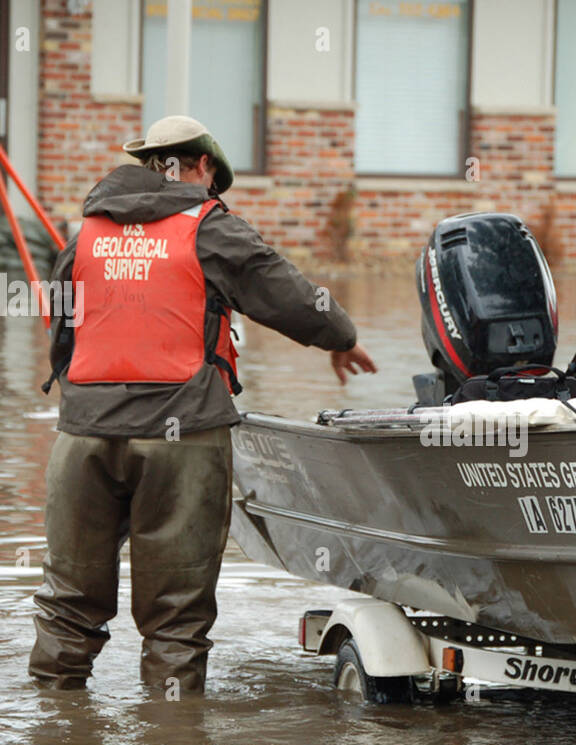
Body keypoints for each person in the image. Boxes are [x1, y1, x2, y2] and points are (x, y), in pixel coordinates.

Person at [29, 115, 376, 694]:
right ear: (204, 166)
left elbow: (63, 337)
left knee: (67, 608)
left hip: (82, 441)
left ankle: (58, 744)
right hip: (179, 439)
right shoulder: (209, 226)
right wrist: (340, 335)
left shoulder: (86, 232)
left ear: (148, 164)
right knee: (175, 625)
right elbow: (284, 291)